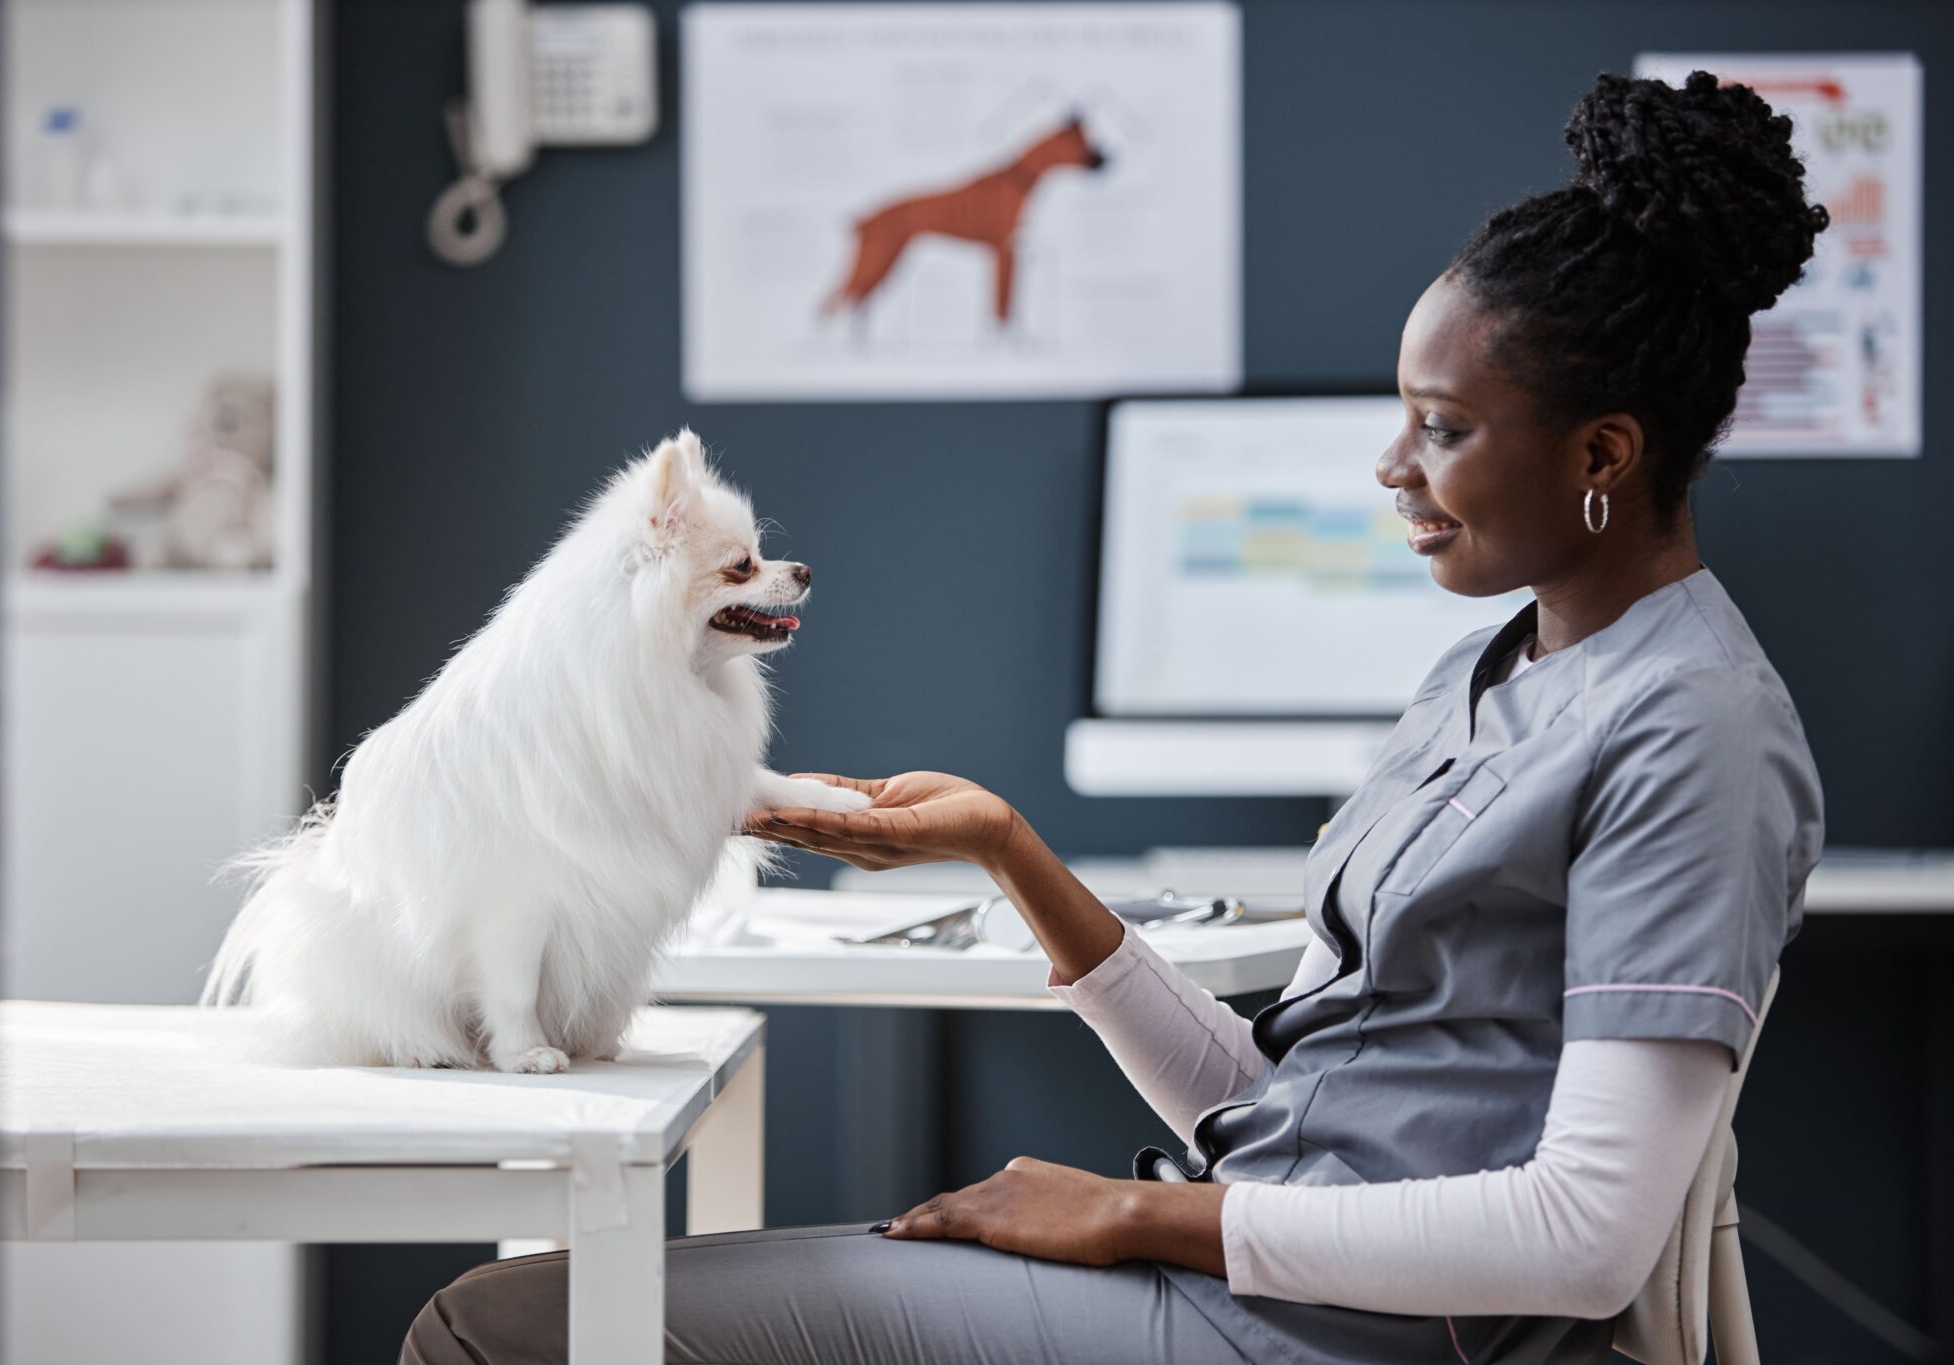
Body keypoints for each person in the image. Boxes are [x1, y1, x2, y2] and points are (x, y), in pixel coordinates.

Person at [403, 69, 1828, 1365]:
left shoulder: (1694, 729)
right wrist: (1009, 853)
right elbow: (1282, 1106)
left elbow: (1585, 1237)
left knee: (502, 1330)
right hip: (1251, 1271)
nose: (1392, 464)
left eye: (1442, 427)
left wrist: (1137, 1222)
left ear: (1603, 454)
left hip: (1333, 1335)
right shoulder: (1493, 669)